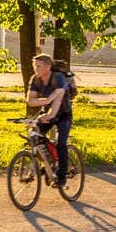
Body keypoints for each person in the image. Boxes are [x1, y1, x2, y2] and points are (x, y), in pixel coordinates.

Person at [26, 53, 73, 187]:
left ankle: (62, 177)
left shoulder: (58, 78)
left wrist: (50, 115)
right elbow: (30, 100)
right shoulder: (35, 79)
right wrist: (46, 101)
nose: (36, 69)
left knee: (61, 144)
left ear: (48, 66)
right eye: (35, 66)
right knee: (35, 135)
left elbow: (57, 100)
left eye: (39, 66)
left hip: (64, 114)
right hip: (48, 113)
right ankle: (50, 164)